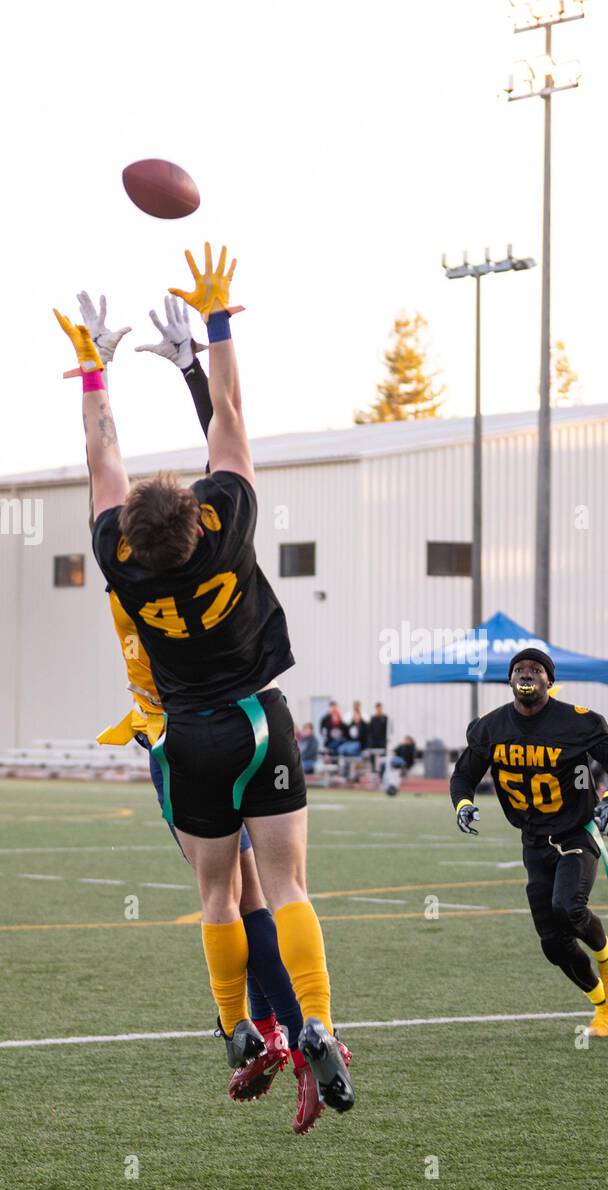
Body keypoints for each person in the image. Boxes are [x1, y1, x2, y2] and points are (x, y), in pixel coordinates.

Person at [56, 243, 353, 1118]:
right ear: (199, 519)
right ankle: (317, 1025)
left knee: (218, 891)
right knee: (289, 884)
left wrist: (90, 370)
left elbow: (100, 459)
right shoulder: (228, 528)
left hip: (186, 734)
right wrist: (215, 324)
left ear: (131, 538)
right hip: (260, 716)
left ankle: (237, 1023)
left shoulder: (121, 560)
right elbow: (230, 414)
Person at [450, 648, 608, 1039]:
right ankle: (603, 1004)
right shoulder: (490, 727)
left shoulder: (577, 722)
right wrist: (463, 804)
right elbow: (463, 775)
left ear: (549, 681)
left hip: (576, 832)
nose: (527, 673)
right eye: (520, 668)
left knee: (567, 906)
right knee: (553, 944)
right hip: (533, 840)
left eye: (536, 668)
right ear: (509, 681)